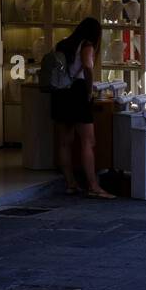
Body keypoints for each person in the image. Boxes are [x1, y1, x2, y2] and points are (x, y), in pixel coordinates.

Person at [50, 17, 114, 198]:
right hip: (76, 92)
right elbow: (87, 66)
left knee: (64, 141)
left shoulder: (63, 44)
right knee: (88, 141)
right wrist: (89, 89)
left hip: (59, 93)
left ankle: (70, 183)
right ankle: (93, 186)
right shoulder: (87, 45)